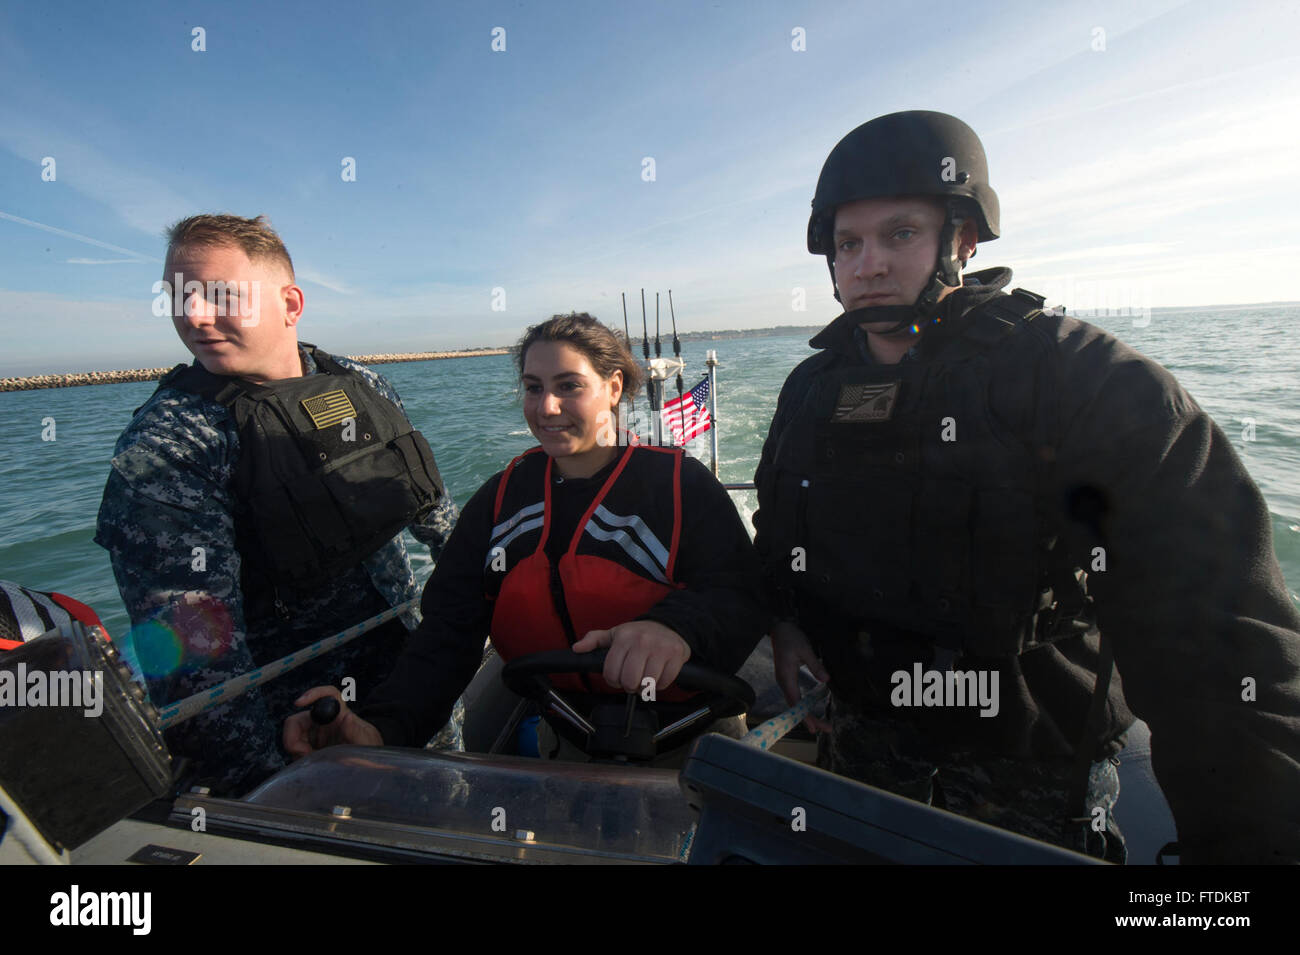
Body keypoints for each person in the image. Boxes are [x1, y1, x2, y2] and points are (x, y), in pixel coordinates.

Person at [754, 110, 1300, 864]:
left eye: (899, 234)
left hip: (1032, 754)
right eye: (848, 244)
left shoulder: (1077, 377)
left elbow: (1218, 631)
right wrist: (783, 617)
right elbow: (782, 529)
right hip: (866, 730)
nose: (867, 264)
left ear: (963, 239)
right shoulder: (813, 389)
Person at [285, 313, 767, 763]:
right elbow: (447, 633)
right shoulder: (502, 499)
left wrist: (675, 627)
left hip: (693, 740)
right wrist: (381, 729)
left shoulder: (681, 487)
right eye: (534, 388)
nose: (547, 407)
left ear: (613, 387)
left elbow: (740, 593)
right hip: (567, 740)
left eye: (568, 386)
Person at [95, 214, 460, 797]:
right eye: (178, 297)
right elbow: (190, 648)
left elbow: (436, 516)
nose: (193, 315)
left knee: (451, 815)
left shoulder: (358, 385)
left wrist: (469, 621)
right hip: (298, 733)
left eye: (219, 295)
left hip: (411, 681)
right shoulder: (169, 447)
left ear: (290, 304)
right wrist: (265, 794)